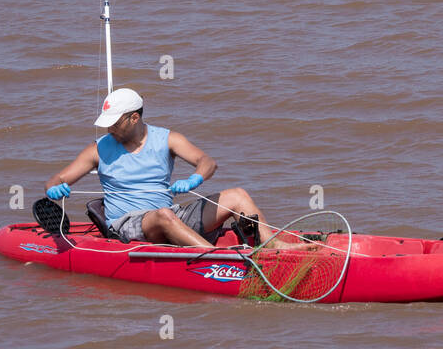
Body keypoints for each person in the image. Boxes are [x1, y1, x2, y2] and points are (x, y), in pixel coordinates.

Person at [43, 87, 282, 247]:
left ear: (133, 118)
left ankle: (274, 247)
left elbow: (207, 162)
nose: (109, 130)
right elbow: (57, 179)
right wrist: (55, 188)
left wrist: (194, 179)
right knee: (164, 216)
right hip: (127, 225)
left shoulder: (168, 139)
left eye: (114, 124)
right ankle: (217, 260)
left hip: (170, 216)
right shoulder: (98, 149)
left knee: (238, 196)